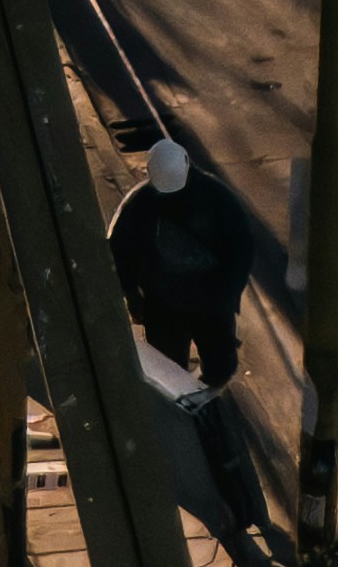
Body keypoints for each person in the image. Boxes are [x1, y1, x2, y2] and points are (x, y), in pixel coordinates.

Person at [107, 125, 265, 532]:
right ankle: (181, 433)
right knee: (168, 373)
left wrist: (225, 296)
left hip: (209, 303)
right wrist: (133, 297)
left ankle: (208, 420)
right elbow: (118, 252)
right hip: (166, 306)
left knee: (220, 366)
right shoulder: (141, 205)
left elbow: (241, 248)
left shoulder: (216, 201)